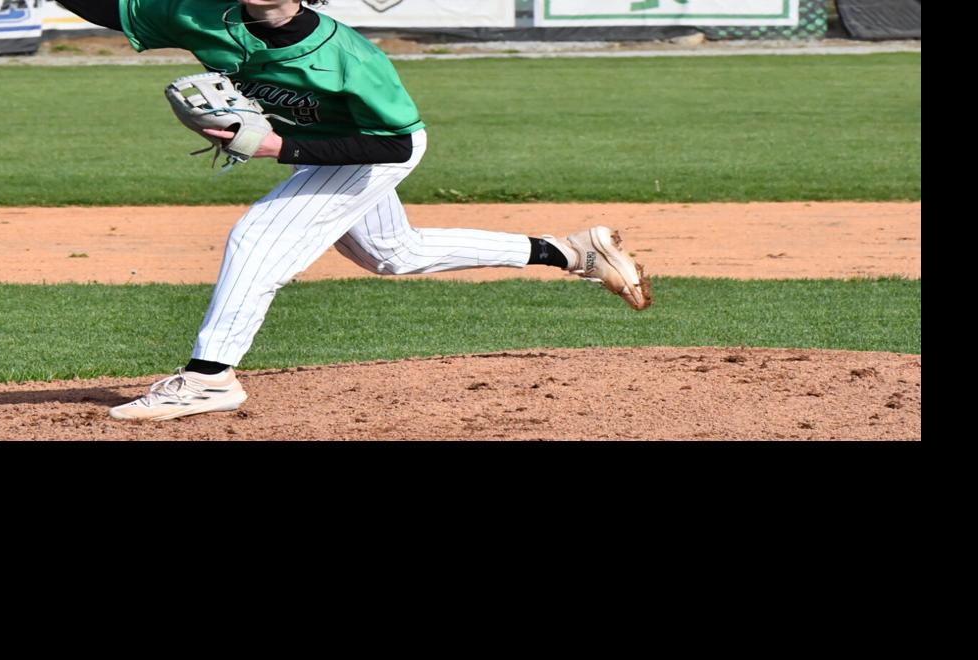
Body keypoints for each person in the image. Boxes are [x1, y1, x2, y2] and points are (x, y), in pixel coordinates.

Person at [54, 0, 651, 422]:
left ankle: (209, 378)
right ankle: (571, 252)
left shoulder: (351, 57)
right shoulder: (197, 10)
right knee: (392, 253)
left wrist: (278, 147)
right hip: (321, 147)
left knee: (259, 238)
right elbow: (110, 8)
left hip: (373, 148)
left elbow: (396, 144)